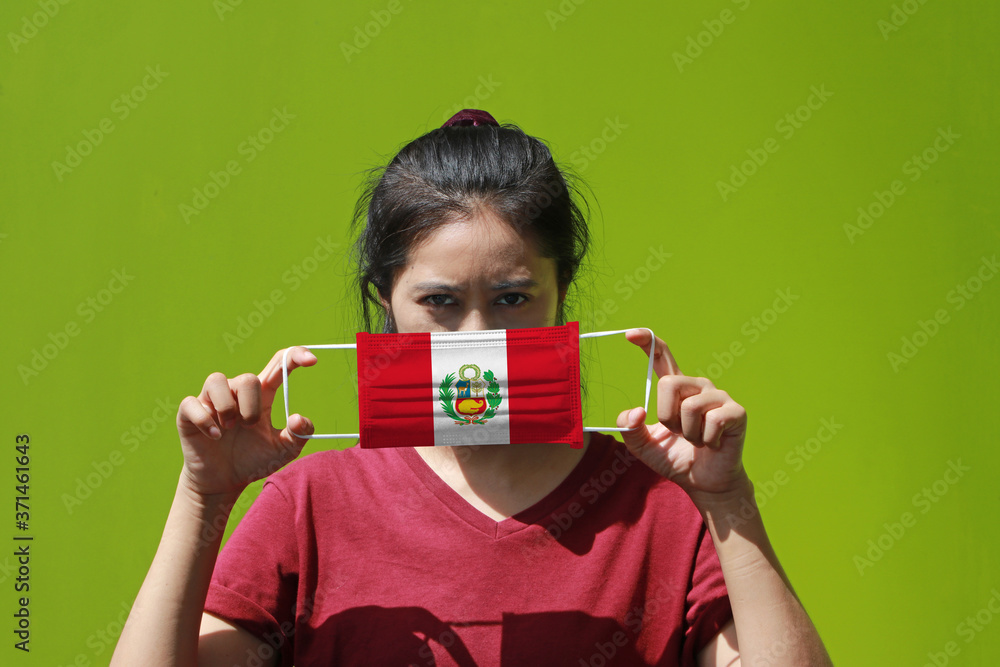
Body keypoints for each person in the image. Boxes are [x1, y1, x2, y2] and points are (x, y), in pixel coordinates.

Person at [111, 109, 833, 666]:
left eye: (514, 299)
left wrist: (728, 501)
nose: (475, 339)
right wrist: (202, 496)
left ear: (561, 295)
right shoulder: (307, 507)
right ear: (386, 300)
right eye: (440, 303)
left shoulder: (663, 510)